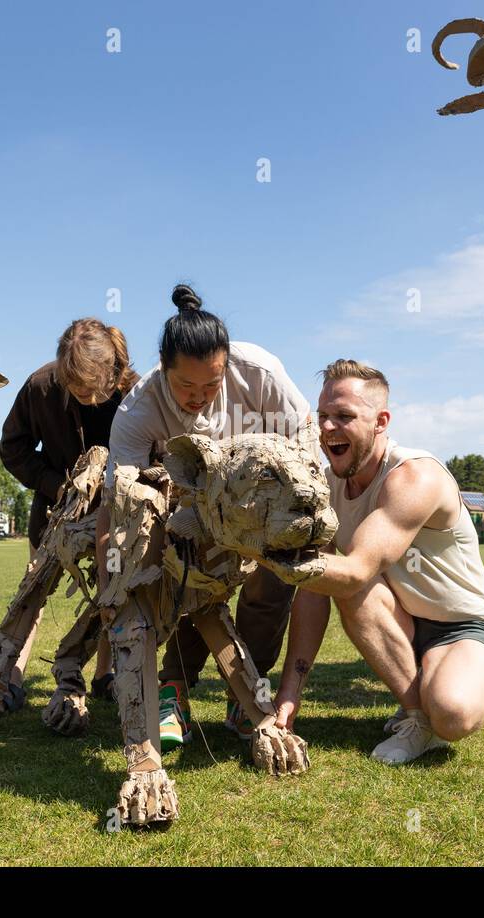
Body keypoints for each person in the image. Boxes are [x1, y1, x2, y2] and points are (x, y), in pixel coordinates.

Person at [100, 283, 311, 750]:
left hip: (261, 506)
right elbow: (124, 497)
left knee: (269, 582)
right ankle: (173, 688)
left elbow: (304, 448)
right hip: (187, 507)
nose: (199, 397)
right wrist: (115, 571)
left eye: (212, 384)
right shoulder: (139, 407)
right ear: (162, 368)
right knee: (184, 578)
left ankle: (248, 690)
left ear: (228, 363)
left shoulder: (261, 373)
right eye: (185, 386)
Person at [269, 360, 484, 765]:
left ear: (381, 421)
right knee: (336, 579)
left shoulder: (414, 477)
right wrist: (288, 695)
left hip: (463, 625)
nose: (328, 429)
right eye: (323, 416)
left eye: (344, 417)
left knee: (451, 715)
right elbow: (314, 588)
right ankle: (417, 716)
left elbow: (357, 570)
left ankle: (434, 703)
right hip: (400, 620)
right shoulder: (325, 485)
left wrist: (260, 550)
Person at [0, 318, 139, 708]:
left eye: (91, 388)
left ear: (112, 372)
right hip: (53, 512)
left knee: (113, 592)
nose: (84, 395)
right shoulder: (40, 385)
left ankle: (105, 675)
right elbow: (13, 448)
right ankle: (10, 676)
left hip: (119, 516)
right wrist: (56, 486)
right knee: (33, 593)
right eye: (74, 385)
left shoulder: (136, 392)